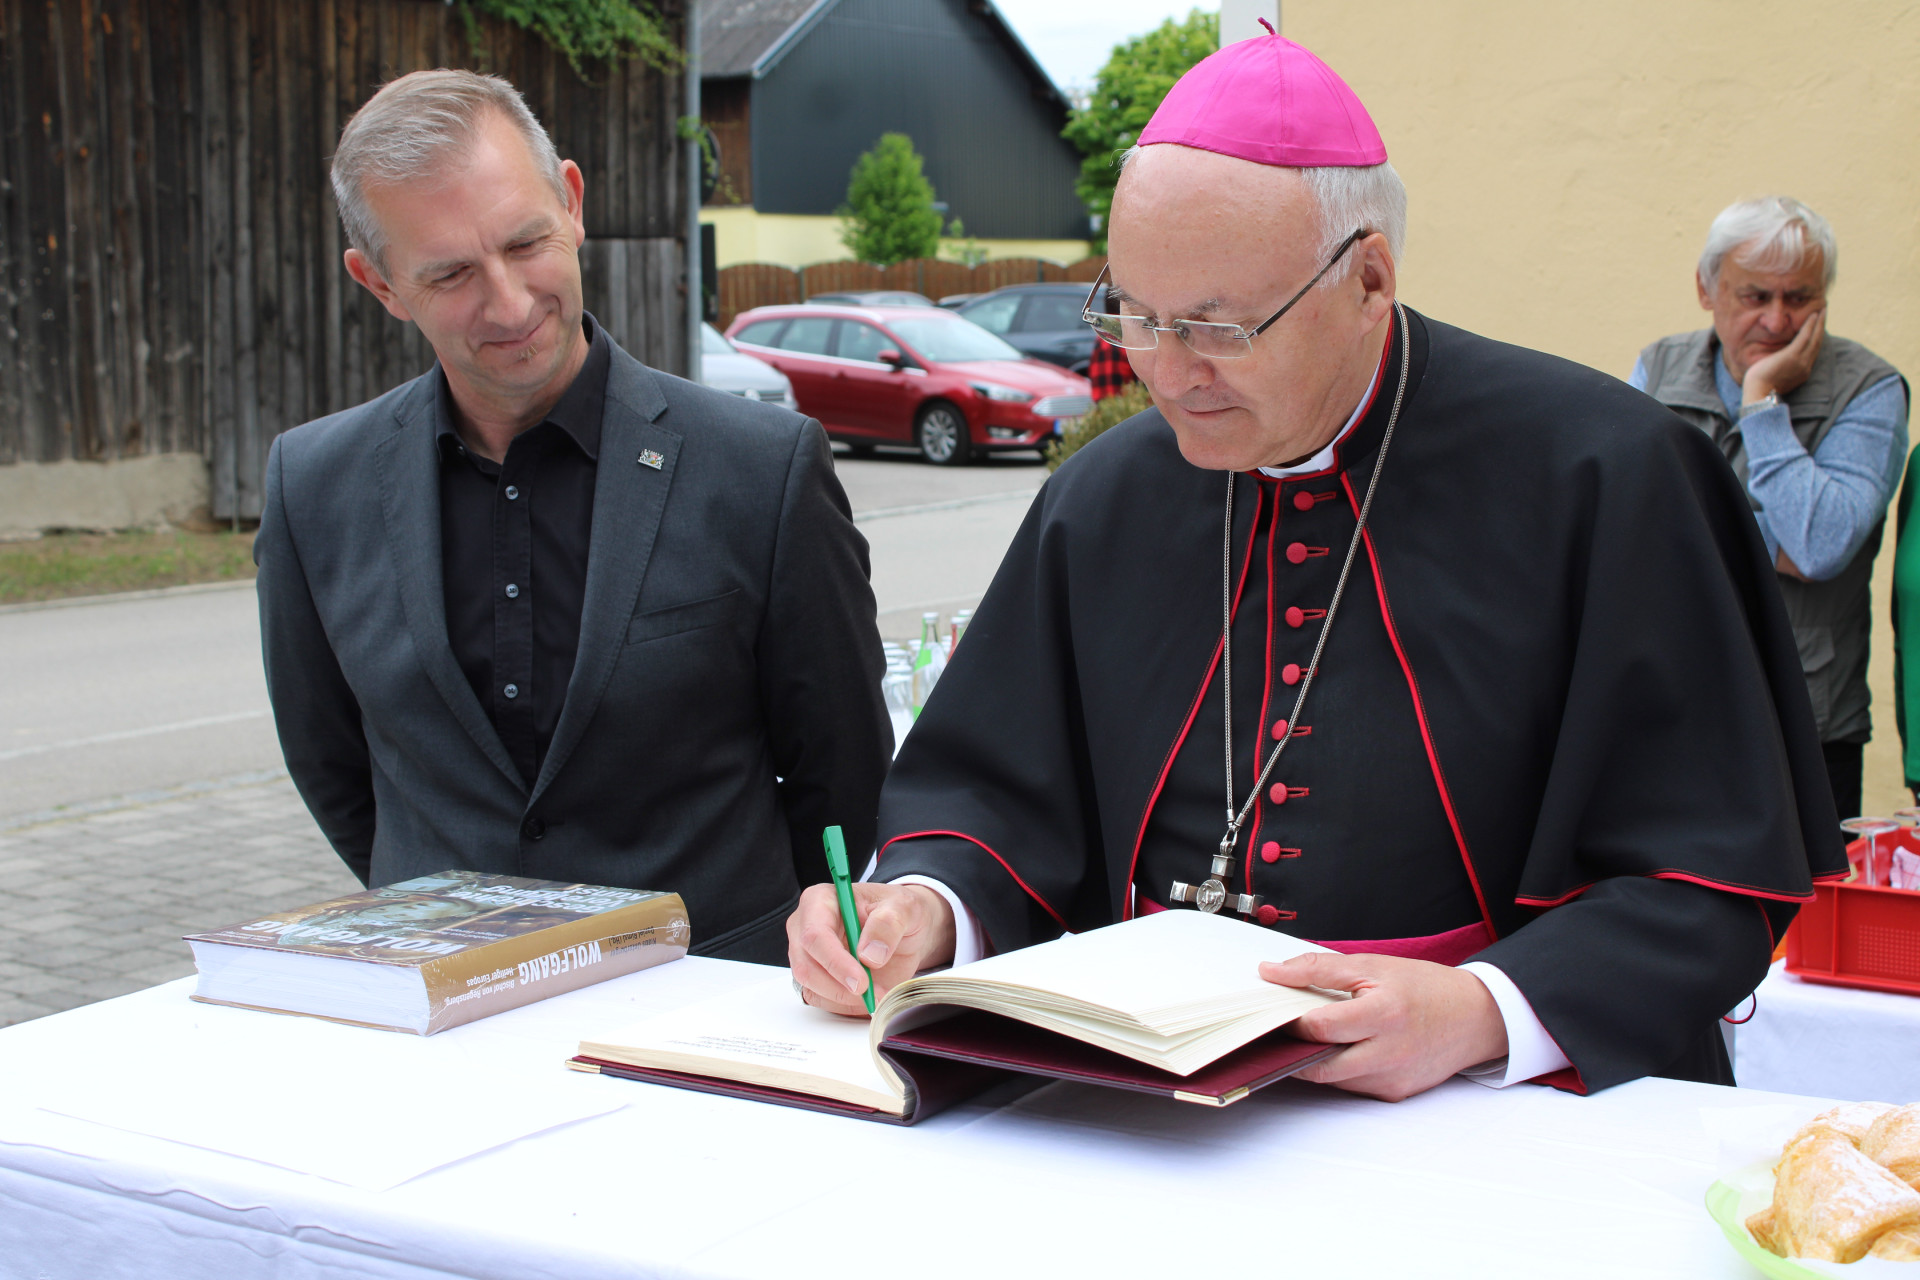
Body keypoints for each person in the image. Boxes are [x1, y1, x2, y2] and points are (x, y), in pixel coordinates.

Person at [788, 32, 1845, 1098]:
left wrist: (1484, 1008)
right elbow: (995, 791)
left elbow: (1714, 874)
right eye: (1139, 316)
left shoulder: (1609, 473)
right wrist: (925, 902)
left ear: (1370, 277)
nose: (1168, 369)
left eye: (1217, 325)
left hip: (1499, 1114)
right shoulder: (1104, 497)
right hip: (1149, 1105)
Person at [255, 70, 891, 964]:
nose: (510, 303)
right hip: (447, 1015)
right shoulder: (311, 485)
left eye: (525, 243)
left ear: (573, 201)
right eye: (451, 275)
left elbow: (843, 776)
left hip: (707, 1010)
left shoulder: (762, 470)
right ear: (380, 283)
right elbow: (332, 766)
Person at [1632, 197, 1910, 821]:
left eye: (1801, 297)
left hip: (1806, 724)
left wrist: (1761, 405)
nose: (1778, 321)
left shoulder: (1869, 388)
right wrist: (1765, 539)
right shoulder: (1659, 368)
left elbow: (1819, 544)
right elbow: (1626, 528)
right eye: (1756, 297)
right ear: (1707, 289)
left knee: (1803, 921)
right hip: (1674, 709)